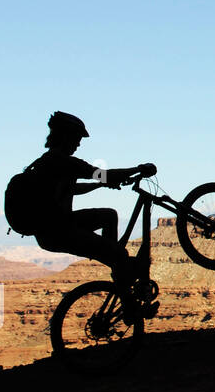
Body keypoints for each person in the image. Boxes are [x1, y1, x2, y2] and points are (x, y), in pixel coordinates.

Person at [30, 111, 155, 297]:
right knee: (119, 254)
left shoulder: (44, 163)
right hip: (59, 232)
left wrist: (99, 185)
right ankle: (125, 296)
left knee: (109, 216)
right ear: (65, 136)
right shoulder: (64, 162)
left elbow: (72, 189)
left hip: (53, 229)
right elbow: (103, 174)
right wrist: (138, 169)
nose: (79, 144)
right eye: (76, 138)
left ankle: (118, 267)